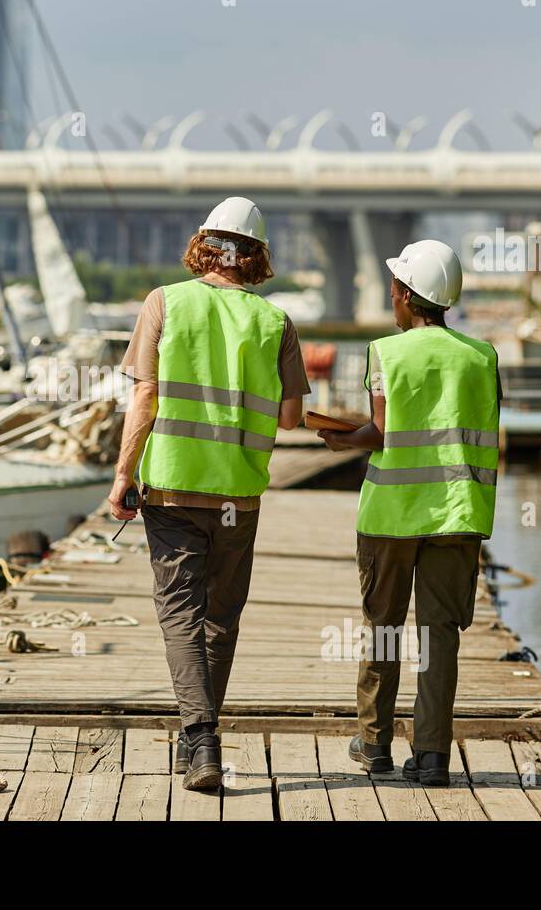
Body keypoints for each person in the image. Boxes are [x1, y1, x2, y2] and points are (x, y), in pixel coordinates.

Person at [110, 197, 310, 791]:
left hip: (171, 485)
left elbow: (145, 397)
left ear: (204, 245)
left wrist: (124, 474)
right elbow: (293, 418)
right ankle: (199, 739)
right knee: (221, 617)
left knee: (179, 614)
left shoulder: (164, 302)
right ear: (256, 255)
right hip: (238, 494)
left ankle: (201, 740)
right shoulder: (277, 323)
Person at [317, 239, 500, 787]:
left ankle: (374, 746)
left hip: (392, 515)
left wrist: (337, 438)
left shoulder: (385, 352)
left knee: (384, 628)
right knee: (441, 633)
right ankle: (433, 756)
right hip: (459, 514)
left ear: (404, 297)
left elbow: (380, 431)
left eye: (394, 290)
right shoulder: (483, 356)